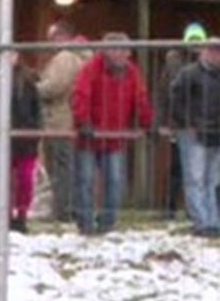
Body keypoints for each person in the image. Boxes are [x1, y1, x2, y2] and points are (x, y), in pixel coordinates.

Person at [72, 32, 153, 236]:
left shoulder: (132, 72)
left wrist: (148, 122)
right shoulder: (91, 69)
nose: (120, 54)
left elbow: (141, 99)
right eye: (115, 49)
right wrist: (83, 122)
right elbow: (81, 95)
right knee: (86, 180)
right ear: (105, 51)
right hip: (90, 136)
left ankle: (107, 222)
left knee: (115, 182)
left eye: (124, 50)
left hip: (115, 137)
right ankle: (85, 222)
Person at [36, 20, 87, 223]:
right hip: (65, 118)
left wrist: (35, 87)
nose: (49, 42)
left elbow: (56, 86)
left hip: (60, 119)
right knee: (65, 166)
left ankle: (62, 208)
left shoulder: (65, 58)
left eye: (52, 38)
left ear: (62, 36)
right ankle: (65, 206)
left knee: (61, 167)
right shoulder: (76, 57)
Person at [169, 38, 220, 237]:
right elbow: (176, 99)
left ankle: (212, 221)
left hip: (215, 133)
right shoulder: (189, 74)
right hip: (194, 132)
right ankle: (201, 221)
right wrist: (187, 123)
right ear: (204, 52)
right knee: (195, 178)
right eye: (213, 50)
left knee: (211, 179)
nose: (217, 55)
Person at [10, 55, 42, 233]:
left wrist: (35, 131)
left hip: (26, 136)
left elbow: (37, 109)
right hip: (6, 134)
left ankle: (22, 213)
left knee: (25, 178)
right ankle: (6, 213)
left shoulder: (28, 80)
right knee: (5, 179)